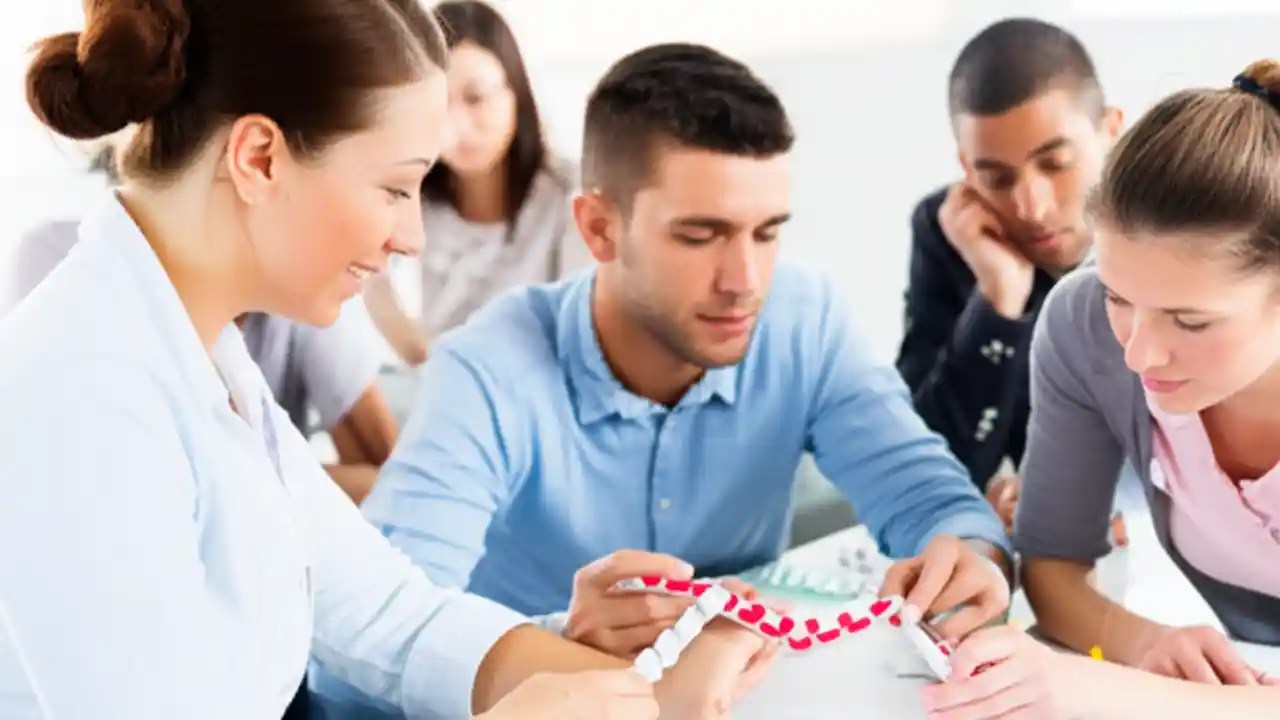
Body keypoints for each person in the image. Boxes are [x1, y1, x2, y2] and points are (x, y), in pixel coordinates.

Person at [0, 1, 772, 718]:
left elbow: (393, 619)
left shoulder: (207, 359)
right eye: (396, 188)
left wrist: (647, 678)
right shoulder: (81, 389)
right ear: (260, 157)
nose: (414, 237)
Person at [358, 42, 1012, 661]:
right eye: (701, 236)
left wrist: (972, 560)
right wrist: (558, 644)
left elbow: (932, 499)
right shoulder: (487, 368)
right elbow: (373, 636)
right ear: (598, 227)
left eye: (766, 233)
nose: (745, 282)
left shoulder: (805, 319)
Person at [919, 60, 1280, 720]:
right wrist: (1137, 643)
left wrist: (1110, 689)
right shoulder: (1084, 324)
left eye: (1191, 321)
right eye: (1121, 297)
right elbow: (1051, 562)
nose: (1138, 352)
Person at [3, 148, 395, 503]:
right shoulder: (58, 260)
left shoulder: (299, 293)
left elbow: (395, 480)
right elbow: (91, 470)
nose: (407, 238)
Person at [894, 19, 1122, 529]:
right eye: (996, 178)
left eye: (1056, 164)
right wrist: (999, 298)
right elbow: (920, 466)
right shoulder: (954, 233)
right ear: (966, 169)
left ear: (1111, 131)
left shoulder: (1177, 218)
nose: (1031, 207)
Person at [364, 0, 588, 367]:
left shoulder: (569, 194)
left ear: (514, 89)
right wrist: (424, 357)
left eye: (476, 98)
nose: (458, 126)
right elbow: (372, 282)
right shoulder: (416, 196)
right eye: (440, 103)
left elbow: (579, 331)